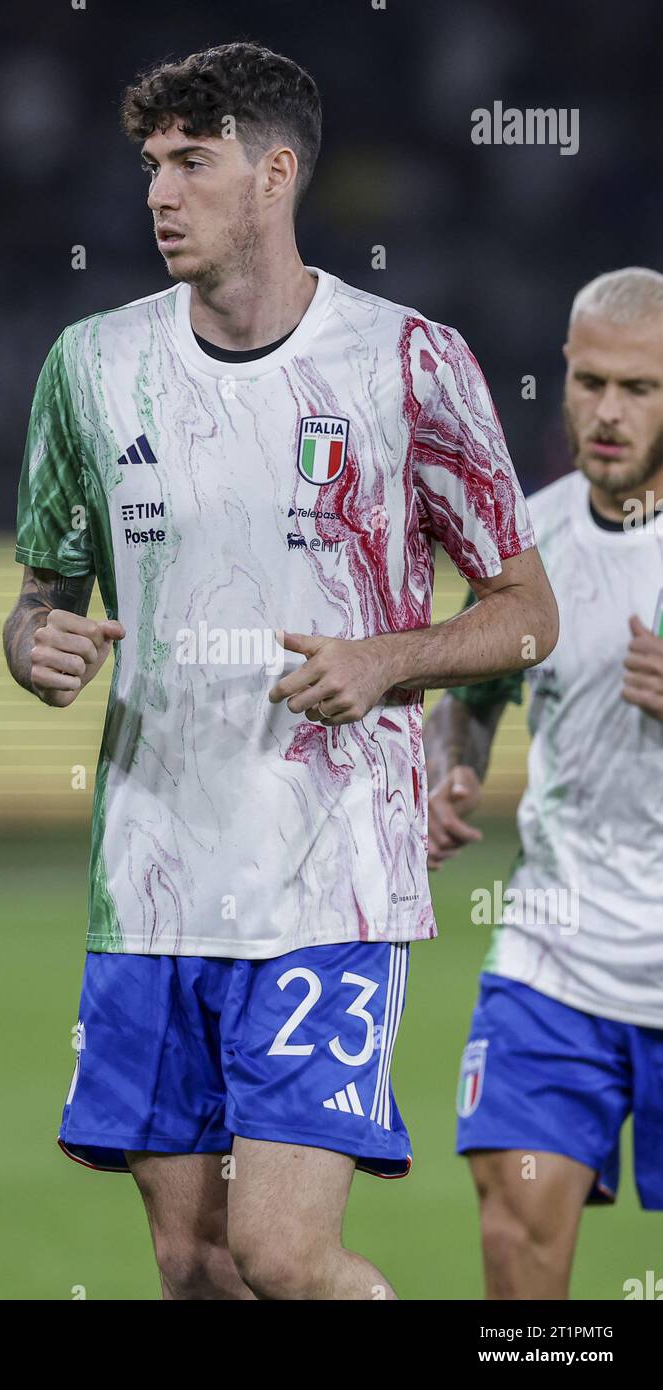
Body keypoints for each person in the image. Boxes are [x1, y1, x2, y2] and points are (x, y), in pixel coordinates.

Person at [3, 41, 556, 1300]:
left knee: (281, 1253)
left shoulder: (405, 364)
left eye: (191, 163)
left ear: (274, 173)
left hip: (332, 876)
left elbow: (527, 614)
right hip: (150, 885)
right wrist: (32, 645)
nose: (158, 193)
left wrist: (389, 661)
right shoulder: (90, 367)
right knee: (193, 1263)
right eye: (150, 165)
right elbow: (43, 597)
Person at [425, 266, 663, 1300]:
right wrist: (453, 765)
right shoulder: (527, 545)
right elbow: (472, 694)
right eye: (588, 382)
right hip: (551, 957)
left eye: (639, 389)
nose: (605, 413)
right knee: (514, 1242)